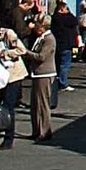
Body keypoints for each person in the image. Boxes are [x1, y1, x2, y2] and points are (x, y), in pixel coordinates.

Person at [0, 21, 28, 149]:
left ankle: (8, 139)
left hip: (13, 75)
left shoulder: (8, 34)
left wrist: (4, 53)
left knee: (9, 106)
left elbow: (22, 50)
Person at [27, 14, 57, 142]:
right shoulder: (41, 38)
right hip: (37, 73)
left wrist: (25, 52)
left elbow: (41, 56)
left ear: (42, 27)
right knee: (35, 104)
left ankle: (45, 131)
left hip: (45, 73)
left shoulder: (49, 39)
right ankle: (36, 130)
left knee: (43, 104)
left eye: (37, 25)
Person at [50, 0, 79, 97]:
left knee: (58, 64)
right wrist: (69, 12)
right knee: (65, 65)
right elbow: (75, 21)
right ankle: (63, 83)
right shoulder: (67, 18)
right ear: (62, 9)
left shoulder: (53, 18)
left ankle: (57, 81)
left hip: (57, 44)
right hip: (66, 44)